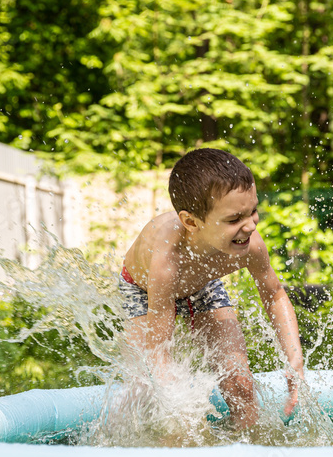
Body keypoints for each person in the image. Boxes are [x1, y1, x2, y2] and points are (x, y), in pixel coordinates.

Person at [119, 148, 305, 428]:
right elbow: (159, 348)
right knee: (149, 389)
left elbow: (275, 295)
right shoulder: (168, 259)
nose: (250, 226)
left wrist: (295, 360)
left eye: (253, 211)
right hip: (144, 292)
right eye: (234, 219)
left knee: (240, 385)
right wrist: (175, 397)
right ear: (191, 222)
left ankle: (246, 450)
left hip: (202, 285)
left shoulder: (251, 245)